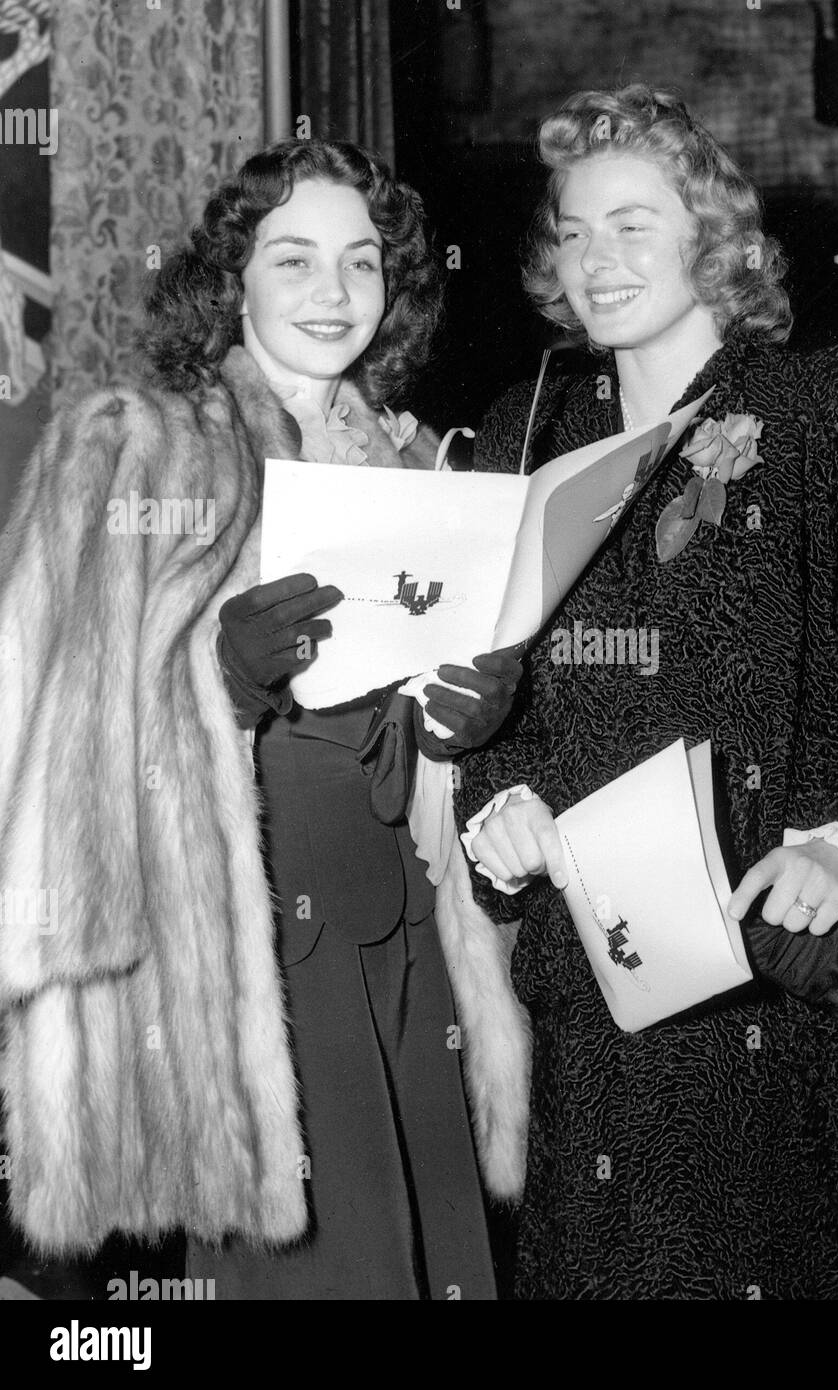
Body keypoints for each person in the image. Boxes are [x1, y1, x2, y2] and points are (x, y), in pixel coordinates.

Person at [455, 85, 838, 1299]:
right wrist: (500, 813)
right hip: (604, 1007)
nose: (595, 261)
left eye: (633, 225)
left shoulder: (836, 412)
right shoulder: (522, 433)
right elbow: (500, 706)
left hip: (788, 1003)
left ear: (712, 237)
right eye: (572, 230)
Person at [0, 139, 529, 1300]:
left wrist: (475, 721)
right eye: (294, 260)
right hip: (258, 960)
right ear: (230, 279)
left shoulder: (424, 458)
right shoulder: (136, 446)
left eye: (361, 262)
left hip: (415, 935)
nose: (334, 294)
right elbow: (52, 745)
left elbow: (444, 712)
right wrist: (218, 681)